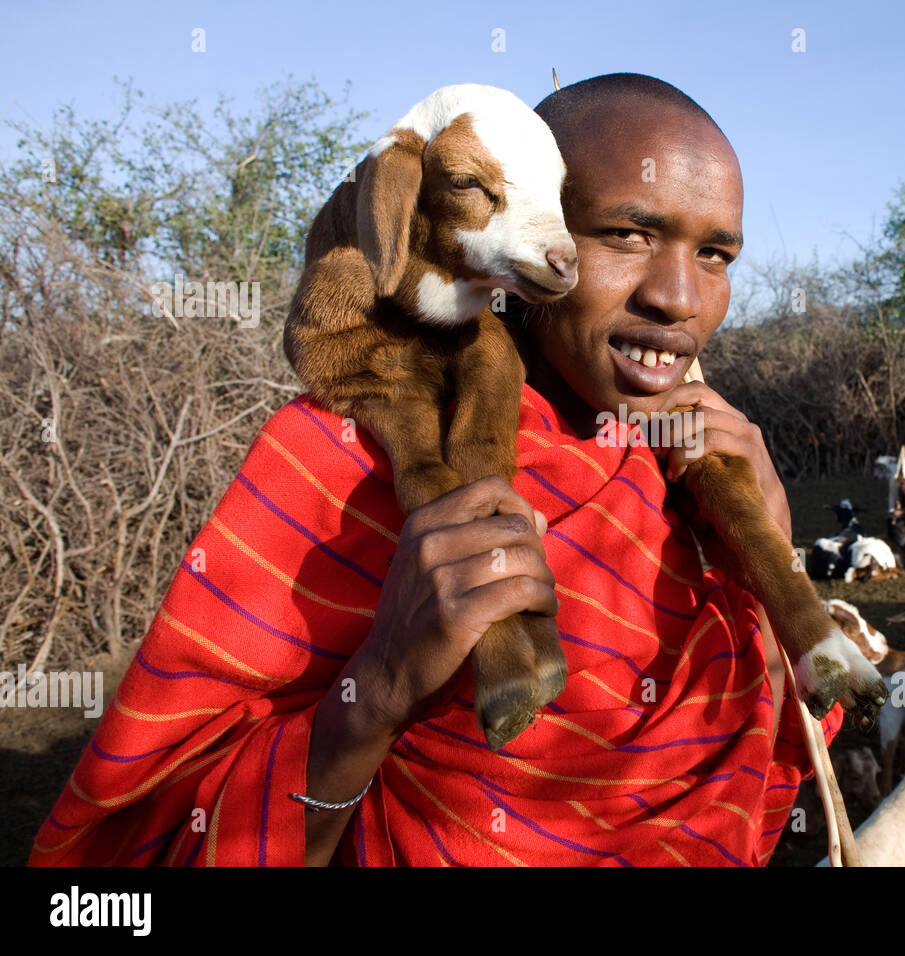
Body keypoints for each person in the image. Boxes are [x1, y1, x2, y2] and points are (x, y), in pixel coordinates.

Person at [28, 73, 842, 868]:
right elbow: (145, 850)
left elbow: (742, 779)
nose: (678, 297)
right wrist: (379, 688)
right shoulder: (349, 457)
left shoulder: (687, 464)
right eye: (625, 234)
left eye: (715, 254)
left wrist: (765, 555)